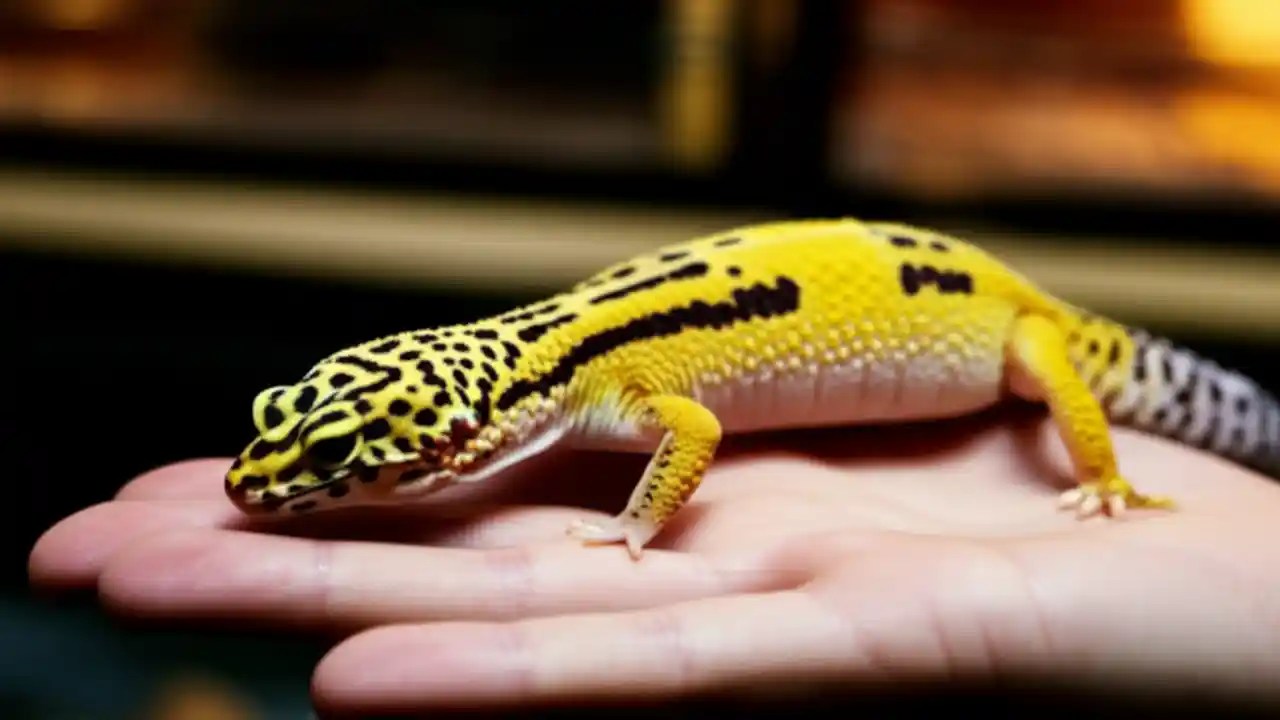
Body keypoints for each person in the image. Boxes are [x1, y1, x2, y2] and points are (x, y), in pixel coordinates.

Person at [27, 404, 1280, 716]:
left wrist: (639, 524)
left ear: (456, 439)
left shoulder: (610, 391)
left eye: (342, 457)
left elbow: (694, 431)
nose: (277, 482)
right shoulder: (555, 394)